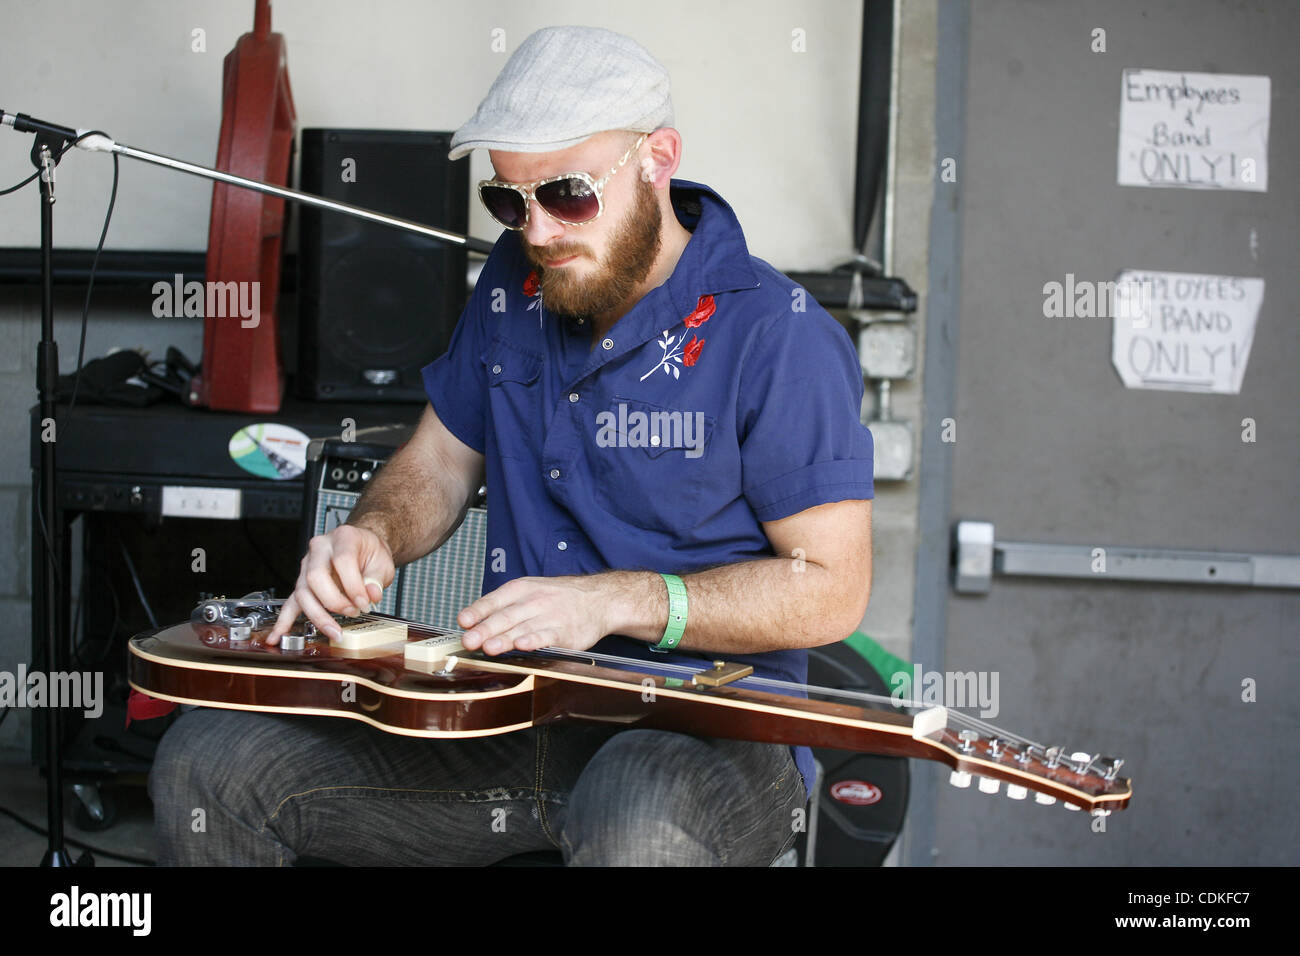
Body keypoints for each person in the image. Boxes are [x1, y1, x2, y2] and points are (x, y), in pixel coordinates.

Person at [148, 25, 874, 866]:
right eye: (507, 200)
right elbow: (438, 462)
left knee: (631, 816)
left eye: (567, 193)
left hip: (707, 734)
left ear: (658, 157)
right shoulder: (514, 282)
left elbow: (831, 590)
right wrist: (371, 534)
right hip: (514, 715)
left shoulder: (777, 336)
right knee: (212, 763)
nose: (536, 231)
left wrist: (613, 600)